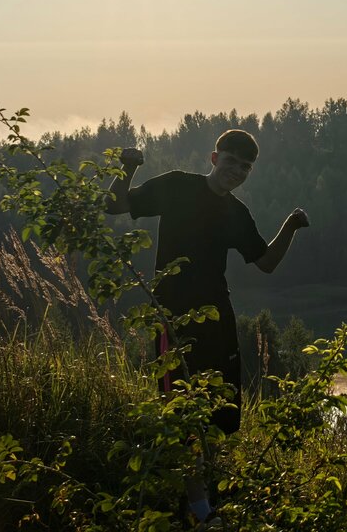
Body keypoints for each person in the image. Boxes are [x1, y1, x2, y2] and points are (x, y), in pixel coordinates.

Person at [105, 128, 309, 524]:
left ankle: (203, 494)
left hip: (218, 318)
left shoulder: (236, 214)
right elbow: (115, 205)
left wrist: (290, 225)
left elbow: (265, 261)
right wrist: (126, 166)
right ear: (214, 159)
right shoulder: (178, 186)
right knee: (179, 407)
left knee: (219, 412)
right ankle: (198, 508)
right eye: (231, 161)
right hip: (173, 320)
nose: (237, 171)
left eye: (245, 167)